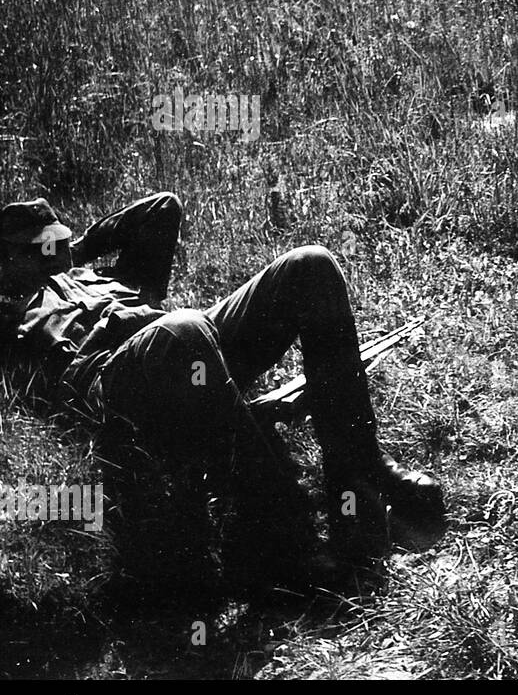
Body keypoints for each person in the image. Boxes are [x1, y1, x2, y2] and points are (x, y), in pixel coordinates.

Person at [0, 192, 445, 597]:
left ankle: (359, 475)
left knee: (311, 265)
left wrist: (70, 250)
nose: (48, 251)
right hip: (124, 382)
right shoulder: (9, 316)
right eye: (35, 247)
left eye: (54, 241)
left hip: (197, 352)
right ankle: (279, 534)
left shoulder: (98, 275)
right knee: (184, 326)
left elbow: (162, 208)